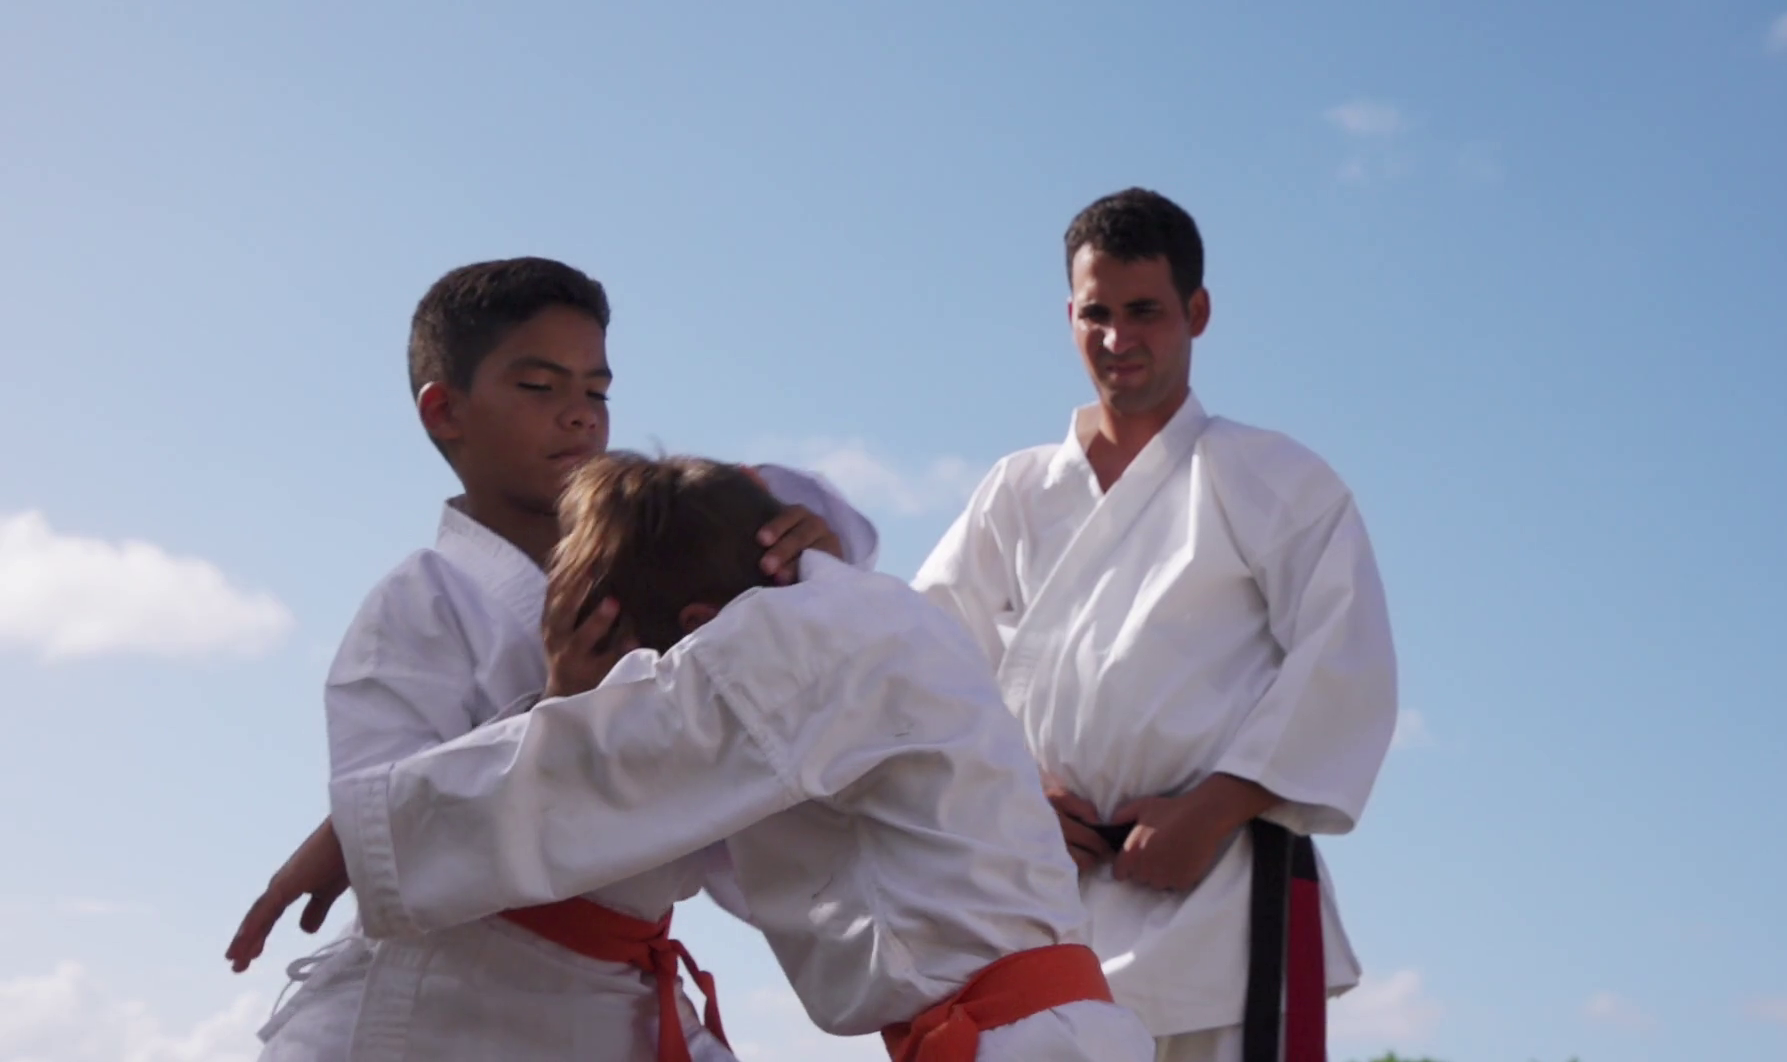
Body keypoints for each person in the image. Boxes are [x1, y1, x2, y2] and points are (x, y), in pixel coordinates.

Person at [293, 451, 1158, 1062]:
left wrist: (370, 829)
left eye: (658, 663)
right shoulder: (860, 619)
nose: (658, 684)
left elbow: (626, 754)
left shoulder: (796, 647)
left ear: (704, 632)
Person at [233, 257, 876, 1062]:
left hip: (621, 997)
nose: (579, 417)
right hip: (438, 1006)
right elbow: (389, 837)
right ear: (446, 410)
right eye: (540, 388)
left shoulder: (668, 574)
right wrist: (561, 704)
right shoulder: (418, 603)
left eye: (596, 392)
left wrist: (809, 563)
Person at [910, 188, 1399, 1062]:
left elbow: (1345, 661)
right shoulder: (1016, 491)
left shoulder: (1272, 477)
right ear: (1068, 315)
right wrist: (1012, 794)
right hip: (1039, 896)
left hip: (1222, 898)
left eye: (1144, 312)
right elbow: (924, 668)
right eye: (1095, 313)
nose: (1116, 339)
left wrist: (1217, 806)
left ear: (1197, 312)